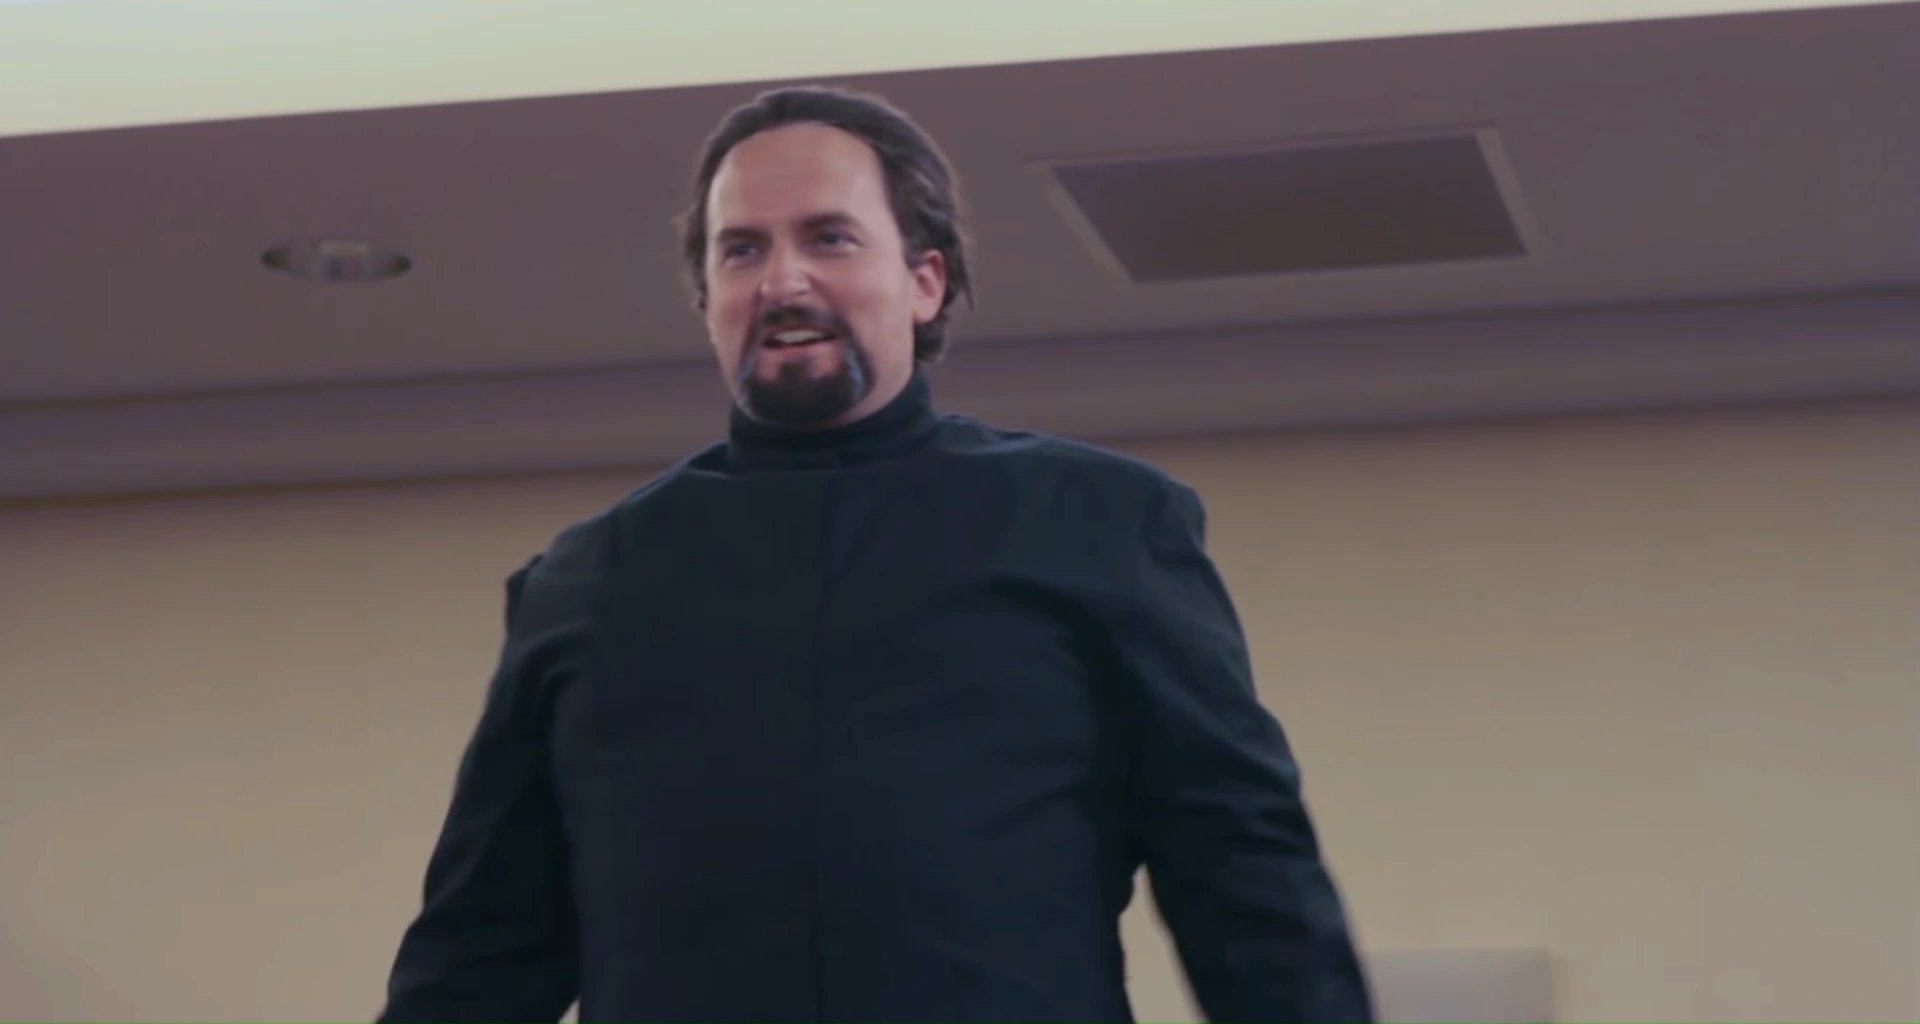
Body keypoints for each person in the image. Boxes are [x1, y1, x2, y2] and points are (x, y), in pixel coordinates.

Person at [377, 85, 1374, 1024]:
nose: (783, 281)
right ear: (708, 299)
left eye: (830, 238)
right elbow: (482, 949)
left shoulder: (1097, 523)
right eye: (741, 250)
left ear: (924, 282)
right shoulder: (585, 583)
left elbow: (1244, 878)